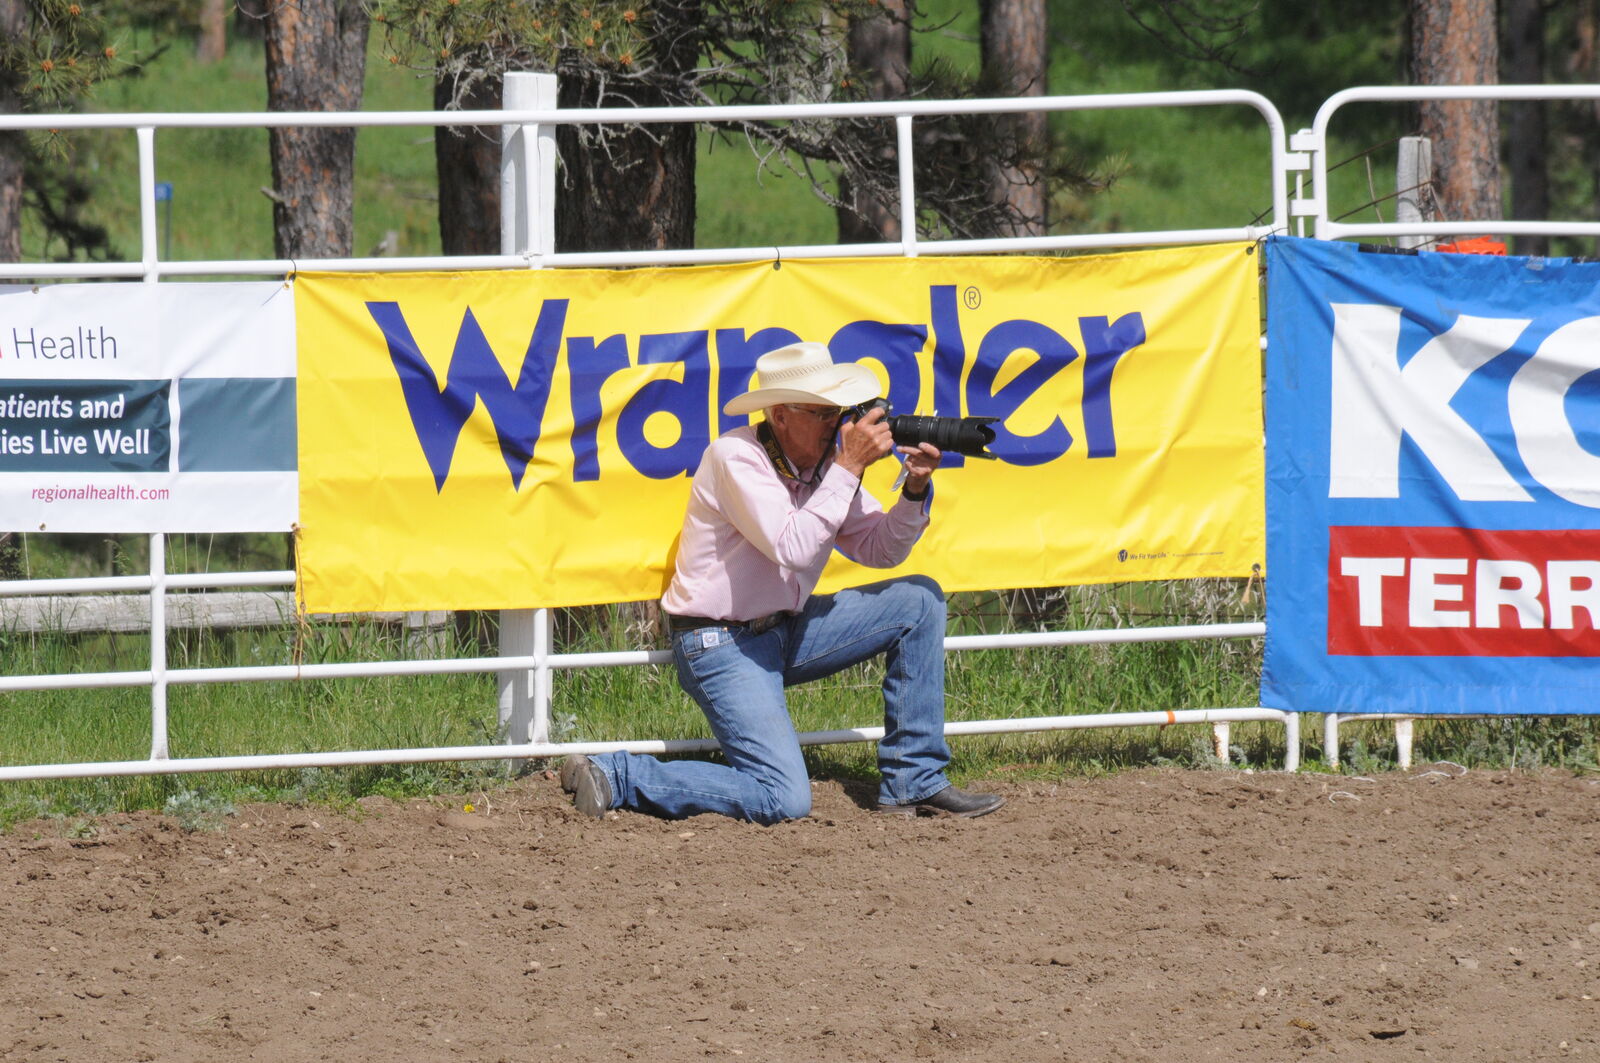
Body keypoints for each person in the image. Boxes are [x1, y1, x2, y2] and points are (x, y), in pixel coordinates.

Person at [560, 341, 1004, 824]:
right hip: (719, 642)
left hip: (783, 629)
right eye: (822, 413)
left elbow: (882, 549)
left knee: (919, 599)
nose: (837, 423)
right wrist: (850, 467)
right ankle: (617, 774)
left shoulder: (822, 470)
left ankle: (914, 780)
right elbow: (792, 547)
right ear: (780, 415)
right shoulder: (735, 457)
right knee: (783, 799)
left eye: (838, 411)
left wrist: (914, 488)